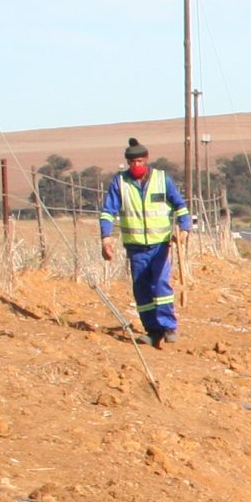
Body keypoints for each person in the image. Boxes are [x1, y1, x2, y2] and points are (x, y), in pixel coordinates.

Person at [97, 137, 192, 347]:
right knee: (142, 288)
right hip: (135, 247)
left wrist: (184, 230)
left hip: (160, 245)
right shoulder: (119, 182)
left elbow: (180, 206)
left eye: (140, 161)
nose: (136, 166)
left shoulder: (162, 179)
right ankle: (152, 331)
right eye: (132, 162)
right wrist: (106, 239)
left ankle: (168, 326)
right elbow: (108, 212)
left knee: (159, 283)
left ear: (146, 160)